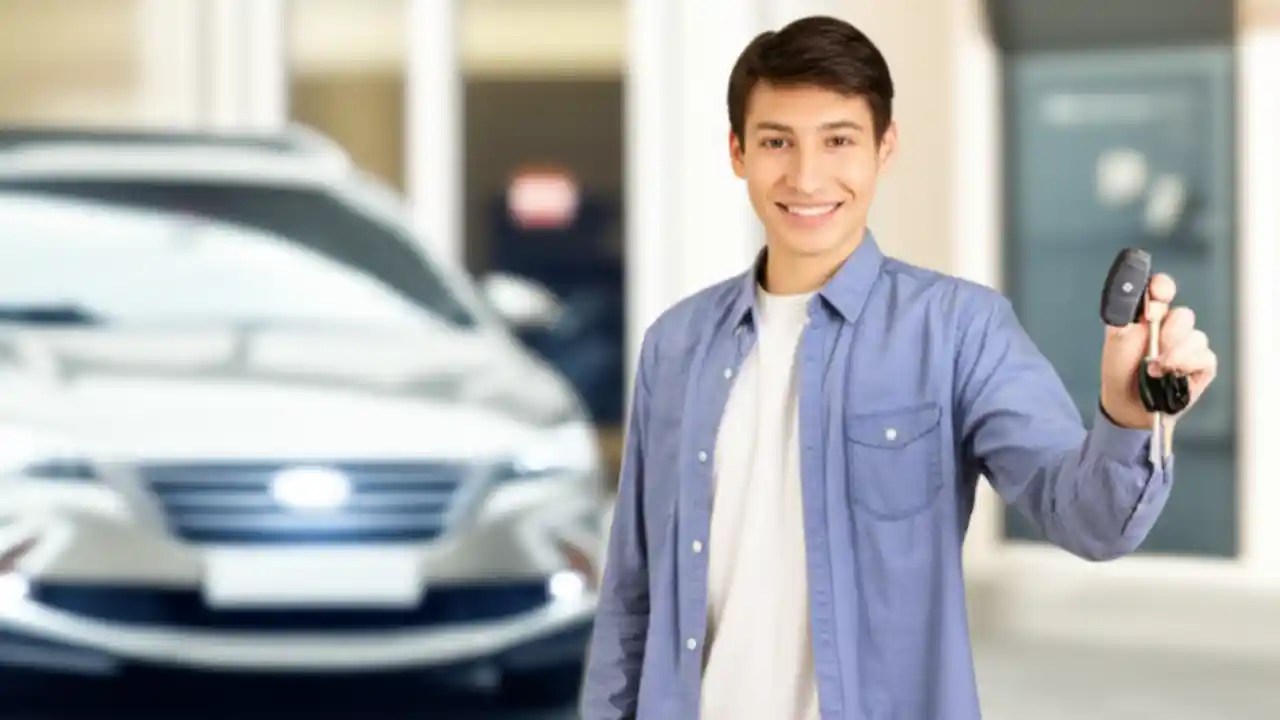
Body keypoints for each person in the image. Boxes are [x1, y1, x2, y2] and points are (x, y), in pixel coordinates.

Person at [578, 14, 1217, 720]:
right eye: (776, 142)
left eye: (839, 141)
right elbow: (632, 595)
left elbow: (1091, 521)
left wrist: (1127, 414)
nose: (806, 175)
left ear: (886, 148)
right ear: (738, 151)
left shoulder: (957, 329)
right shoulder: (675, 345)